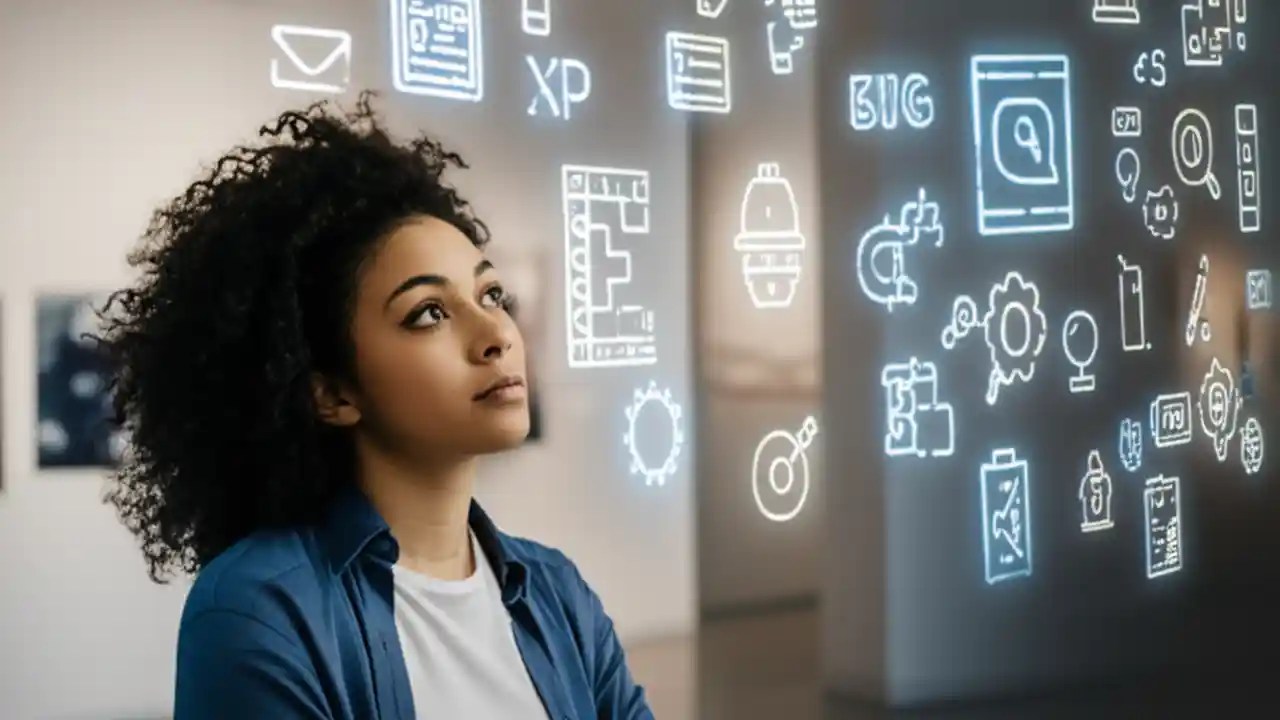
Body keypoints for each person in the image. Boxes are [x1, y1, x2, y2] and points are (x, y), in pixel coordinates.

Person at [92, 92, 654, 719]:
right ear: (332, 393)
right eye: (429, 313)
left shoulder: (558, 592)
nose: (496, 334)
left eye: (490, 294)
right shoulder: (260, 610)